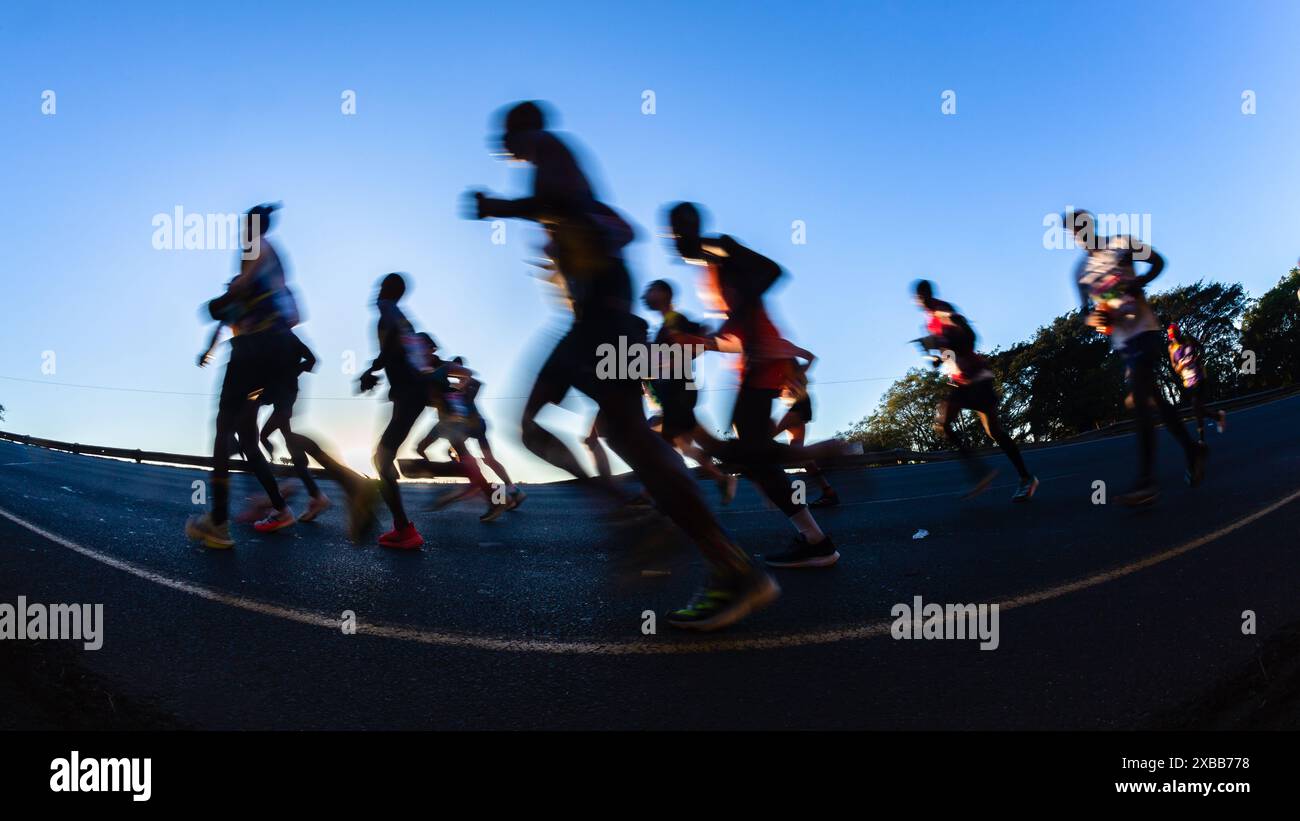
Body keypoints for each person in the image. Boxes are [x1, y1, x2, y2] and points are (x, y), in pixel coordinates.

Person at [466, 101, 777, 630]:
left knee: (544, 425)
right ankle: (705, 551)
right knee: (625, 433)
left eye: (506, 136)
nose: (505, 147)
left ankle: (635, 514)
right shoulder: (563, 169)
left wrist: (499, 208)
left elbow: (562, 202)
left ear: (522, 128)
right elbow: (608, 226)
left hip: (600, 320)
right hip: (603, 318)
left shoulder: (547, 147)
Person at [665, 201, 843, 570]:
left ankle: (827, 466)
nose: (675, 238)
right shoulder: (710, 268)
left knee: (748, 453)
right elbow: (736, 326)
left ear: (694, 227)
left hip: (764, 358)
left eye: (680, 228)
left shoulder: (722, 250)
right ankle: (815, 538)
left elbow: (772, 271)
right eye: (671, 231)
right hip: (754, 361)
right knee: (753, 456)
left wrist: (733, 323)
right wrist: (706, 342)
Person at [1067, 209, 1206, 505]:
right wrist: (1095, 319)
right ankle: (1192, 449)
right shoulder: (1081, 274)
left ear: (1092, 225)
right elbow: (1084, 314)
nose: (1080, 235)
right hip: (1123, 342)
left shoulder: (1121, 243)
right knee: (1152, 398)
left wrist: (1138, 283)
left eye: (1082, 227)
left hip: (1146, 330)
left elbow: (1158, 262)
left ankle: (1146, 481)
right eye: (1074, 232)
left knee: (1141, 397)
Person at [185, 203, 300, 548]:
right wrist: (211, 345)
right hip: (273, 353)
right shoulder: (275, 258)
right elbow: (289, 315)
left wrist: (219, 301)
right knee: (248, 441)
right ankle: (281, 509)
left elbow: (234, 298)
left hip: (252, 350)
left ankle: (217, 523)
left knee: (223, 430)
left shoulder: (253, 246)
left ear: (252, 225)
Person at [912, 280, 1038, 501]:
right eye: (919, 298)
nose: (922, 301)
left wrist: (947, 343)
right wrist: (930, 354)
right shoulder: (930, 324)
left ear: (928, 295)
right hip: (959, 380)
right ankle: (983, 473)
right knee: (946, 424)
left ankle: (1023, 478)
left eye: (924, 296)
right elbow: (942, 359)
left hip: (978, 376)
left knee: (993, 432)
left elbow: (970, 338)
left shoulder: (945, 312)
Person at [641, 279, 738, 504]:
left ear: (664, 294)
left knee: (661, 444)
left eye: (651, 290)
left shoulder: (674, 321)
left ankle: (657, 494)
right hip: (674, 393)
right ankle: (722, 477)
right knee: (683, 445)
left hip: (678, 391)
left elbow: (691, 344)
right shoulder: (667, 324)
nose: (645, 295)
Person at [357, 273, 436, 549]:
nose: (376, 291)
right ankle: (401, 526)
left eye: (382, 287)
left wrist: (371, 371)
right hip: (410, 394)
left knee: (381, 458)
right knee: (382, 457)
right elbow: (398, 347)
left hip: (409, 394)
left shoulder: (389, 311)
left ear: (390, 290)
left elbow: (392, 344)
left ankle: (404, 530)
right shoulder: (400, 317)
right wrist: (374, 369)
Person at [772, 359, 837, 507]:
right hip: (799, 408)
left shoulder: (796, 371)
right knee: (799, 455)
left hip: (798, 407)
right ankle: (828, 492)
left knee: (762, 441)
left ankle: (830, 448)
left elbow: (811, 357)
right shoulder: (782, 375)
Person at [1167, 322, 1226, 442]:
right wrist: (1181, 365)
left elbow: (1202, 349)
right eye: (1171, 337)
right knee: (1198, 408)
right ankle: (1218, 416)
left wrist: (1197, 359)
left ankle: (1201, 439)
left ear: (1179, 333)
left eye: (1175, 335)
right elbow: (1175, 368)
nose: (1174, 339)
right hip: (1187, 381)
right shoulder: (1171, 349)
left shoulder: (1189, 340)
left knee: (1195, 406)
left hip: (1199, 376)